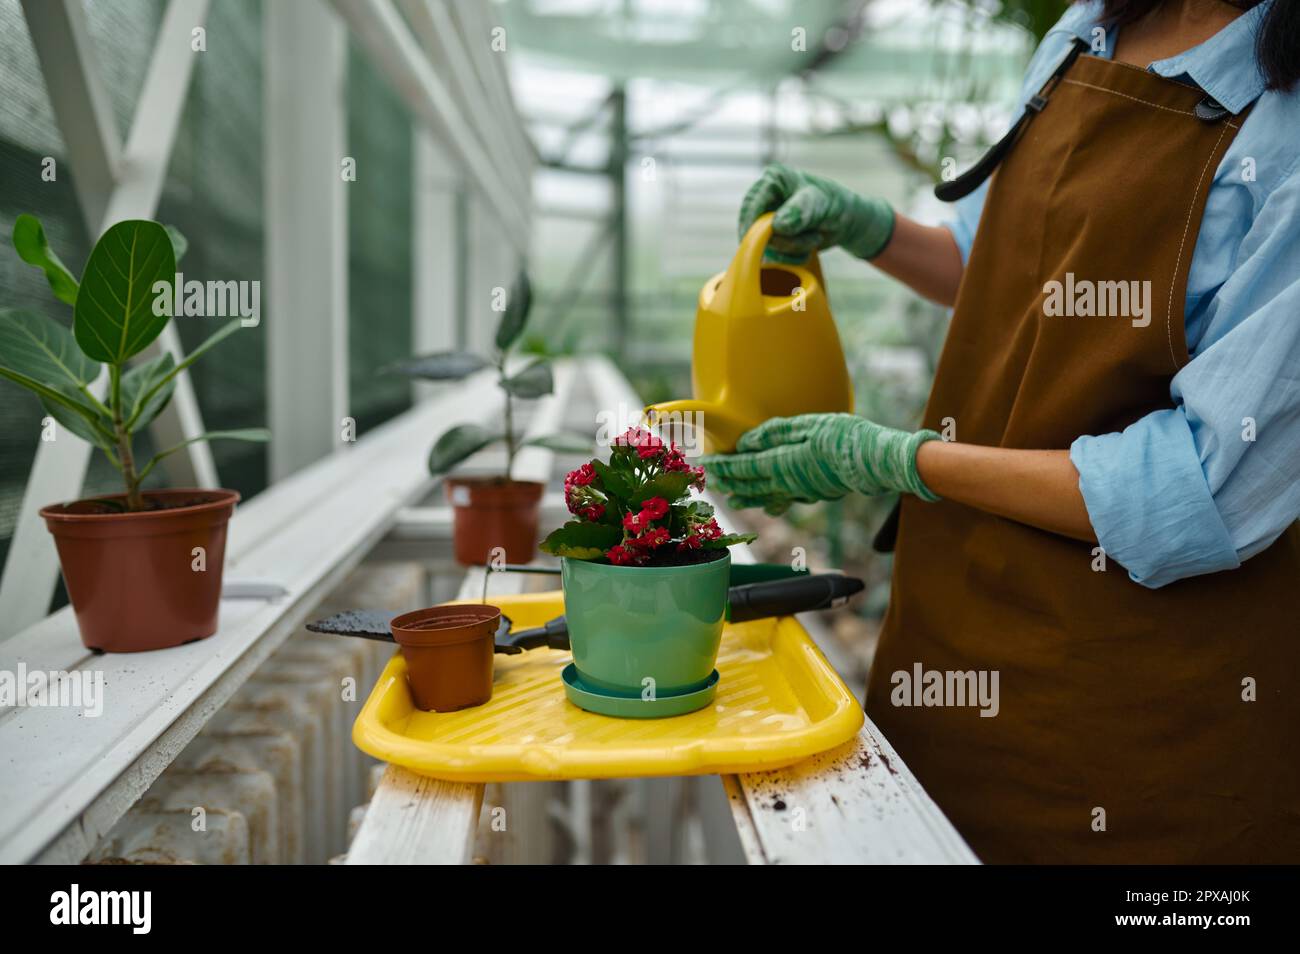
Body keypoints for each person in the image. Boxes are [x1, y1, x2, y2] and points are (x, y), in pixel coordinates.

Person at [703, 0, 1300, 863]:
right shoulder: (1086, 32)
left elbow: (1204, 491)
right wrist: (869, 229)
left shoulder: (1282, 132)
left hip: (1134, 700)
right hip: (954, 624)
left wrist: (903, 461)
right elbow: (1010, 270)